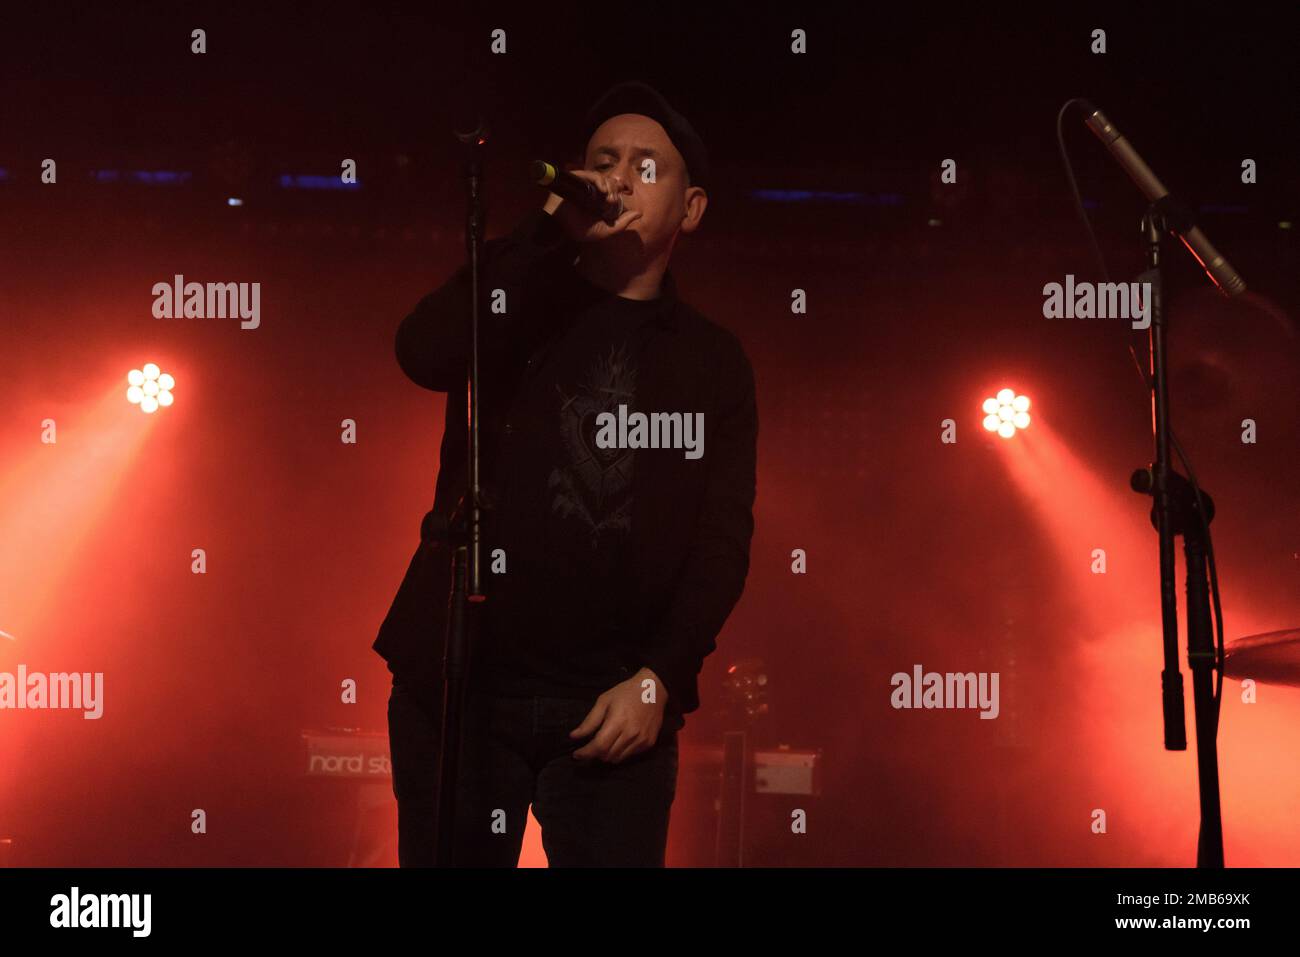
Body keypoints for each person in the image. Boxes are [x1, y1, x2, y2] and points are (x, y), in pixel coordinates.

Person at [373, 80, 757, 867]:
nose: (619, 176)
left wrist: (661, 679)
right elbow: (424, 350)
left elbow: (722, 542)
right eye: (604, 159)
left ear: (691, 209)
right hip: (466, 692)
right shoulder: (519, 299)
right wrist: (547, 230)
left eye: (647, 166)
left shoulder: (711, 360)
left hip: (612, 708)